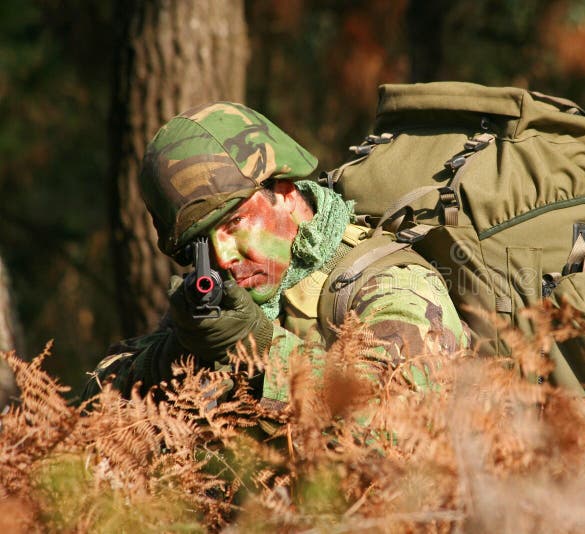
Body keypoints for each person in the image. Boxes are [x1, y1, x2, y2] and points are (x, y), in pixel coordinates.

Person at [82, 102, 468, 406]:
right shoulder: (220, 300)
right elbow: (91, 408)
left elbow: (397, 421)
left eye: (234, 223)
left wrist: (259, 348)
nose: (223, 256)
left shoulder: (390, 284)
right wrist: (172, 355)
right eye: (201, 243)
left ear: (283, 192)